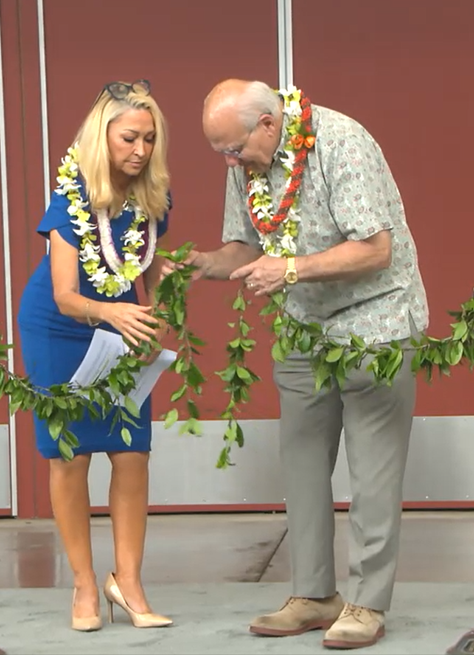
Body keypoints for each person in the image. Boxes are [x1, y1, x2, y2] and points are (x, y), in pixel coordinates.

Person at [166, 79, 429, 650]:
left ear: (267, 123)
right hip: (304, 327)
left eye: (234, 149)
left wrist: (289, 270)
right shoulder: (246, 163)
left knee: (373, 471)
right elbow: (247, 246)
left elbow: (375, 248)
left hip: (375, 322)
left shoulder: (340, 142)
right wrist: (205, 264)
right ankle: (313, 594)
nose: (230, 162)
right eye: (221, 152)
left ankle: (366, 603)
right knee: (302, 463)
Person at [16, 79, 174, 633]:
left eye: (149, 139)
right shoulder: (72, 196)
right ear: (101, 135)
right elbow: (65, 294)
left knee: (132, 452)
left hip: (122, 324)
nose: (141, 150)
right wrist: (115, 313)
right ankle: (84, 584)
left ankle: (127, 582)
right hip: (60, 327)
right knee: (71, 455)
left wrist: (158, 309)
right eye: (130, 138)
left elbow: (147, 264)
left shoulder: (154, 196)